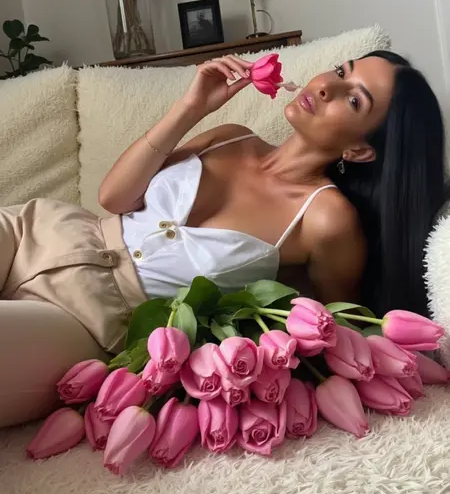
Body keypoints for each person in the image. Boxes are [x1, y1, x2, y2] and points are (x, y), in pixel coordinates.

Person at [0, 51, 446, 427]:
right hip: (36, 231)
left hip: (86, 324)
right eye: (340, 70)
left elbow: (331, 331)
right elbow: (114, 197)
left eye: (353, 99)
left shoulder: (326, 220)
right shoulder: (231, 137)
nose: (327, 86)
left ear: (359, 150)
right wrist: (192, 107)